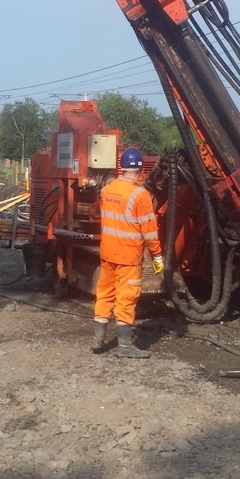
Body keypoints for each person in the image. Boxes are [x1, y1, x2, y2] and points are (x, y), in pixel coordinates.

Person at [93, 147, 164, 359]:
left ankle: (97, 341)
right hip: (128, 257)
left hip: (107, 253)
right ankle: (124, 347)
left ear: (121, 167)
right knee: (126, 298)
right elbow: (150, 232)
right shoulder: (140, 195)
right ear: (141, 168)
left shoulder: (108, 189)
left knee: (104, 294)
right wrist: (157, 256)